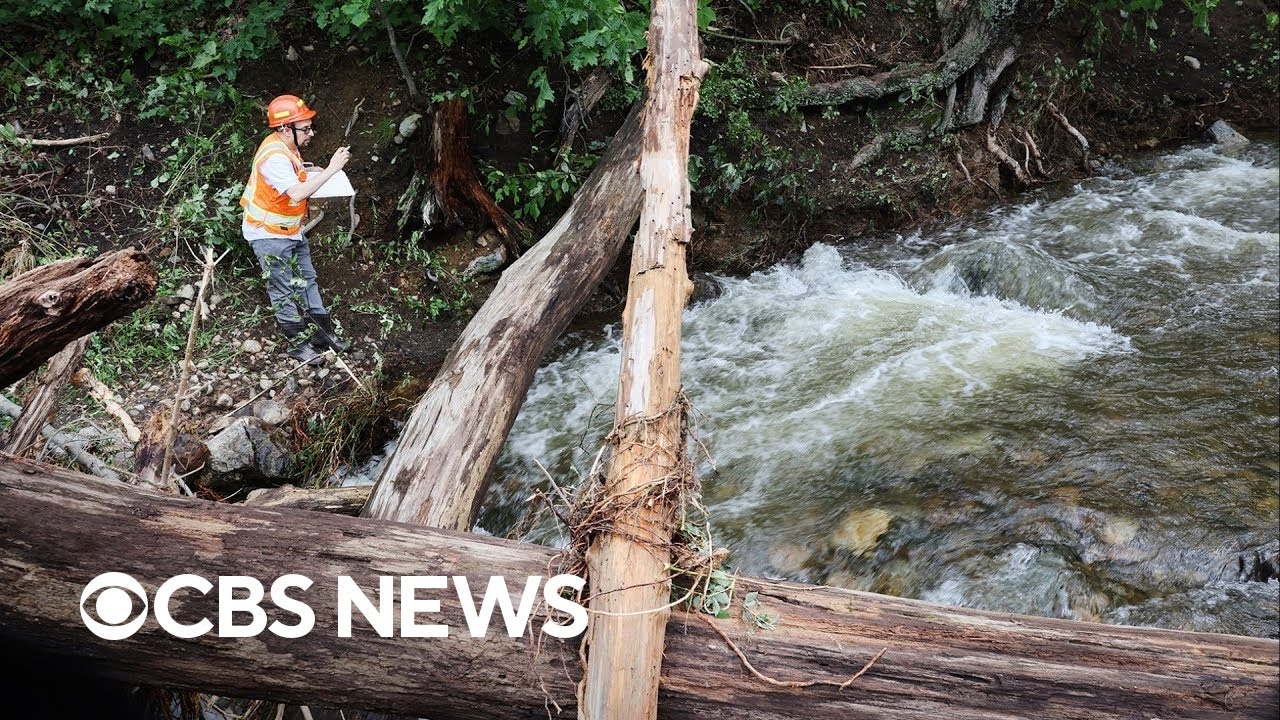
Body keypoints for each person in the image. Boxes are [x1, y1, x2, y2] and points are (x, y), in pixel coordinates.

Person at [240, 94, 352, 363]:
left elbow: (296, 176)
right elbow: (298, 192)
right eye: (305, 128)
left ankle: (323, 334)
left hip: (290, 231)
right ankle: (298, 344)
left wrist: (316, 172)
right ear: (284, 128)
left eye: (310, 127)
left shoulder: (286, 146)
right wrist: (332, 169)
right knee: (282, 288)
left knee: (306, 279)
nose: (311, 133)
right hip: (268, 234)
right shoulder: (274, 157)